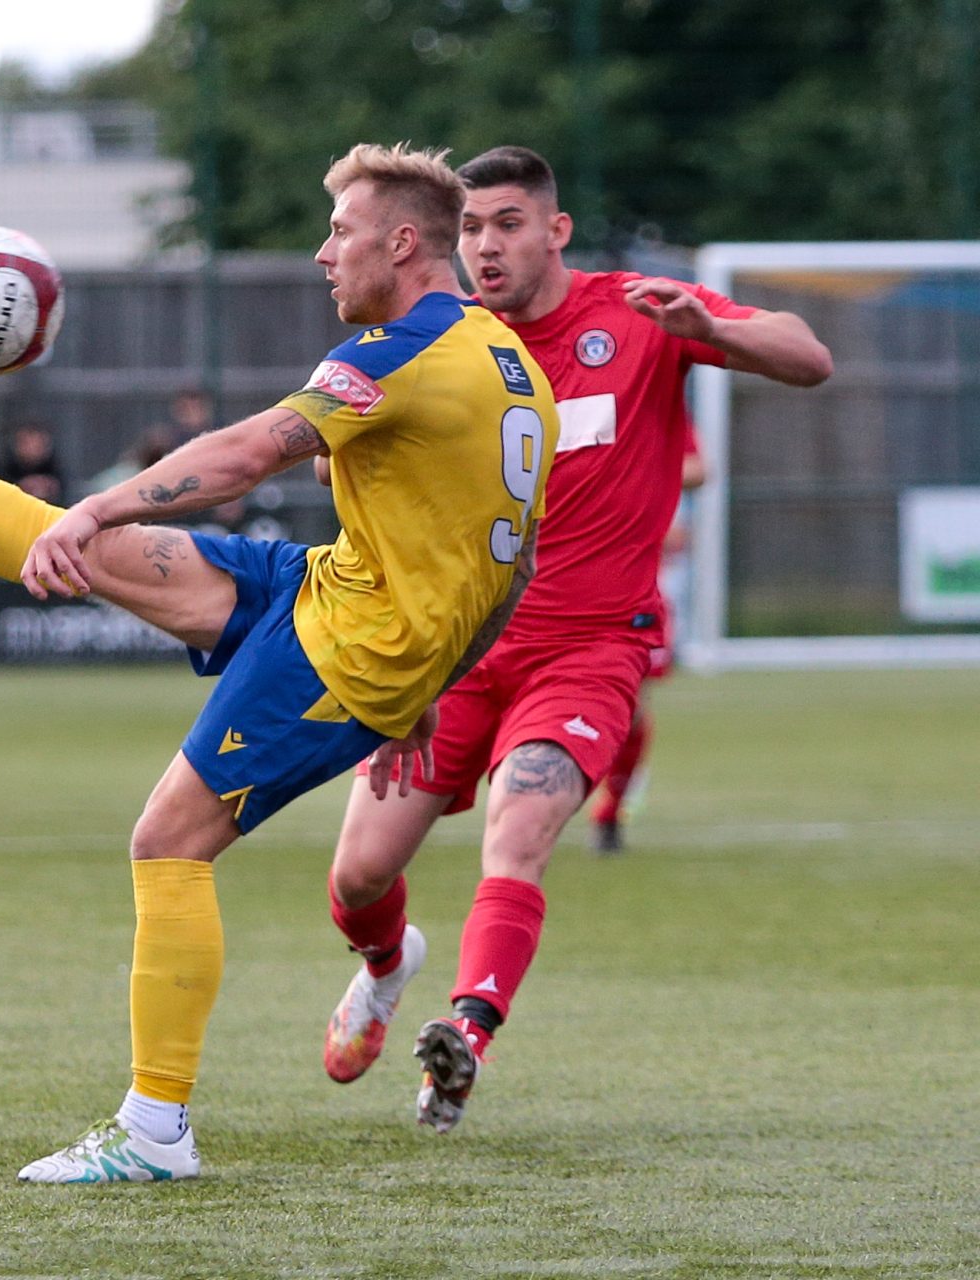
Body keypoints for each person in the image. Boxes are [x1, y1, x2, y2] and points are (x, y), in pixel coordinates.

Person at [0, 143, 557, 1182]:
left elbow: (246, 452)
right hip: (337, 592)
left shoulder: (400, 351)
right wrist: (437, 678)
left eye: (340, 232)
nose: (325, 254)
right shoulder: (508, 361)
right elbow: (513, 557)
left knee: (167, 839)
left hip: (346, 649)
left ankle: (154, 1130)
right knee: (86, 552)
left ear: (402, 242)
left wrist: (105, 494)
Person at [320, 145, 832, 1135]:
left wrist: (710, 325)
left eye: (507, 222)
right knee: (357, 877)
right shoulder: (437, 341)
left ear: (554, 230)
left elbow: (807, 357)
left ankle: (466, 1033)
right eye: (470, 227)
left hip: (589, 649)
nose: (485, 246)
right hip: (453, 655)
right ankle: (386, 969)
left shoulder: (635, 315)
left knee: (519, 830)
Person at [588, 432, 707, 852]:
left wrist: (639, 476)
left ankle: (612, 809)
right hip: (560, 579)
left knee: (632, 707)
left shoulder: (650, 393)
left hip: (635, 587)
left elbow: (697, 468)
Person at [1, 420, 66, 504]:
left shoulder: (56, 471)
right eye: (28, 443)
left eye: (39, 443)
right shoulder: (2, 471)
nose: (33, 447)